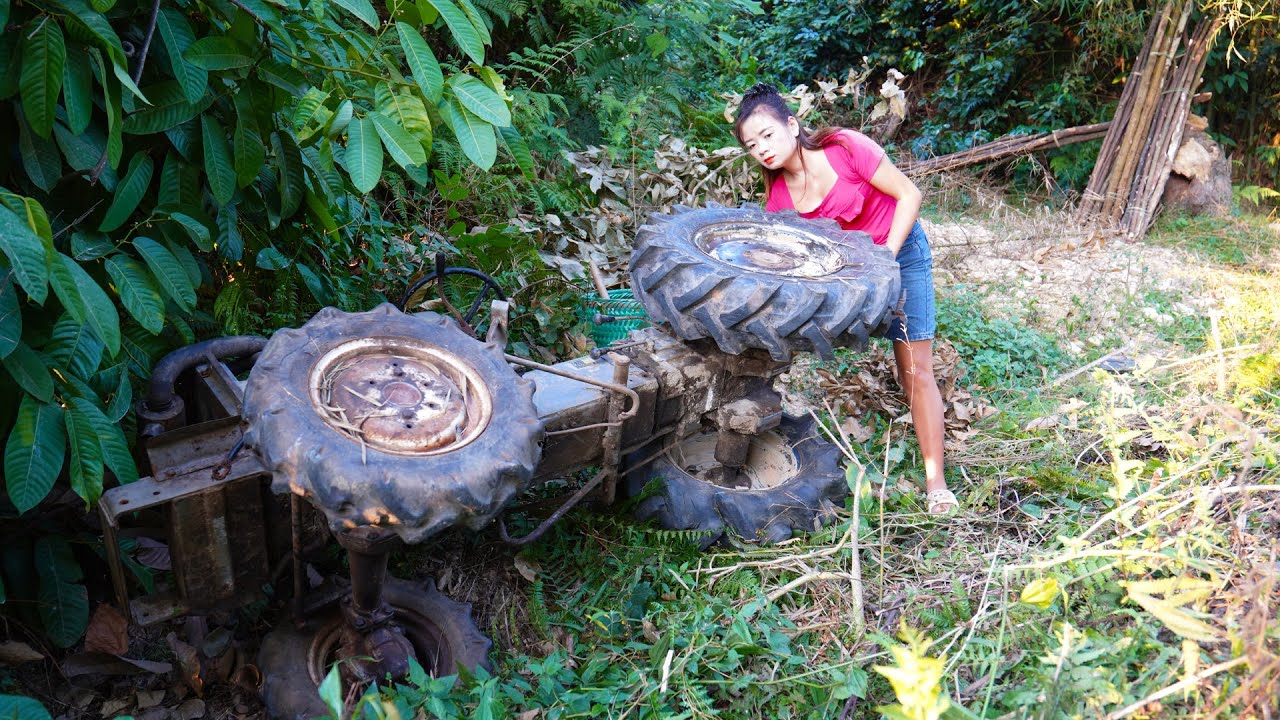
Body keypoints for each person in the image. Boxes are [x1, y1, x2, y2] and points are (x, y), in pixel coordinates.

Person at [732, 83, 957, 515]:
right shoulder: (778, 201)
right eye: (750, 145)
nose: (761, 148)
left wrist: (885, 262)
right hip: (853, 279)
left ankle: (936, 484)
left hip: (901, 253)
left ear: (792, 125)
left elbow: (910, 195)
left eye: (767, 135)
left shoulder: (846, 147)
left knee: (915, 371)